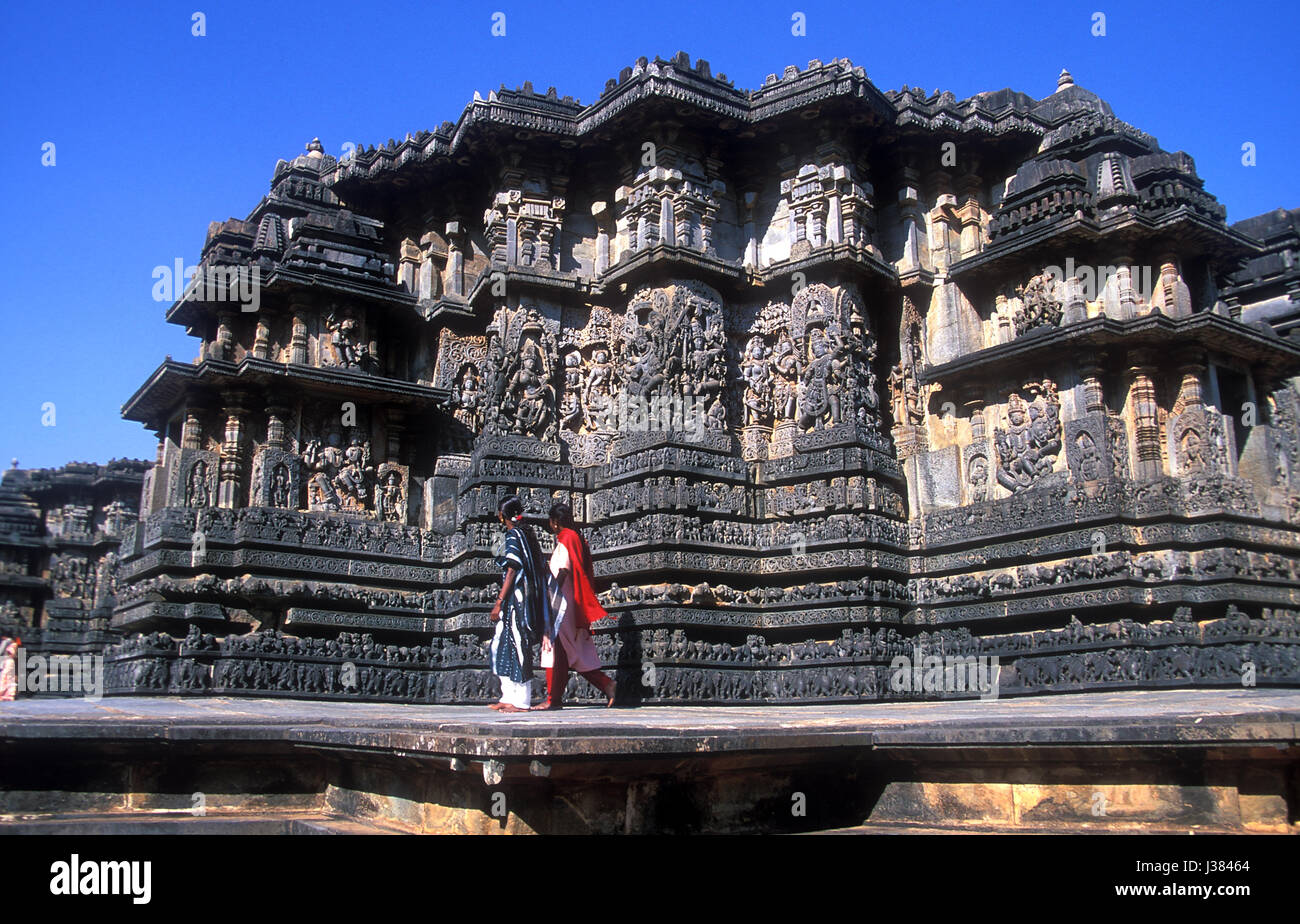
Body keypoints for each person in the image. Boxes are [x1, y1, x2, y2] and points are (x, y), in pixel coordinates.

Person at [533, 502, 617, 710]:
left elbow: (562, 571)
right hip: (571, 603)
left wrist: (548, 593)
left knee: (556, 648)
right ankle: (606, 684)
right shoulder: (577, 538)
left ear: (554, 523)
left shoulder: (566, 538)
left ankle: (553, 699)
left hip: (561, 604)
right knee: (572, 651)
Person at [489, 497, 547, 712]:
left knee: (517, 643)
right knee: (503, 643)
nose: (497, 516)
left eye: (499, 512)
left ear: (503, 515)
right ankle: (508, 695)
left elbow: (512, 568)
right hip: (520, 598)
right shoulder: (524, 535)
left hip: (517, 599)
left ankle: (521, 700)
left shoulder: (514, 535)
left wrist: (499, 601)